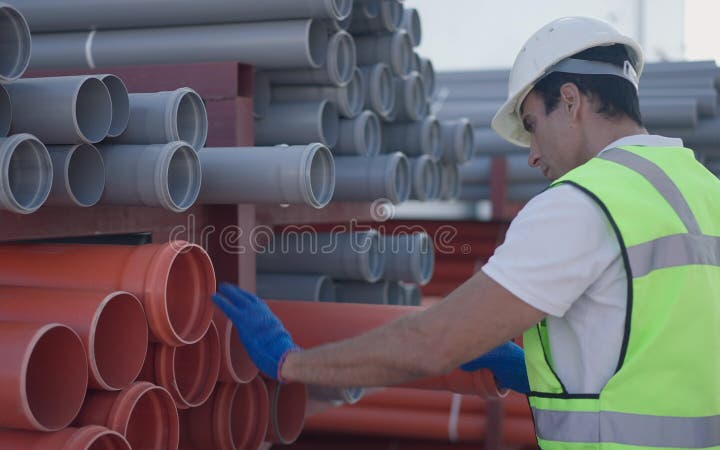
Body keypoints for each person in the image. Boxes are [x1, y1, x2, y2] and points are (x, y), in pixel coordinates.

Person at [214, 16, 720, 448]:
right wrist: (546, 377)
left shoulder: (583, 204)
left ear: (570, 101)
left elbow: (430, 344)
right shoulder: (705, 190)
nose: (532, 154)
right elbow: (665, 348)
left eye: (532, 124)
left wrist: (292, 364)